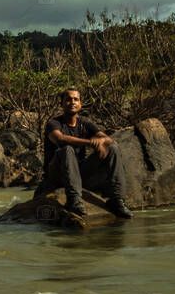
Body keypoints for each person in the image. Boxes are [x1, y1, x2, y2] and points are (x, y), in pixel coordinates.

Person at [40, 88, 133, 218]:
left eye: (76, 99)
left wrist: (101, 142)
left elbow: (107, 139)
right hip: (57, 174)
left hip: (78, 173)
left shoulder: (85, 123)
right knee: (67, 149)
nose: (72, 102)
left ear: (80, 104)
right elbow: (59, 139)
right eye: (68, 99)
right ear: (61, 104)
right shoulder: (54, 123)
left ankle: (117, 200)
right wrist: (90, 142)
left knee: (112, 148)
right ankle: (74, 200)